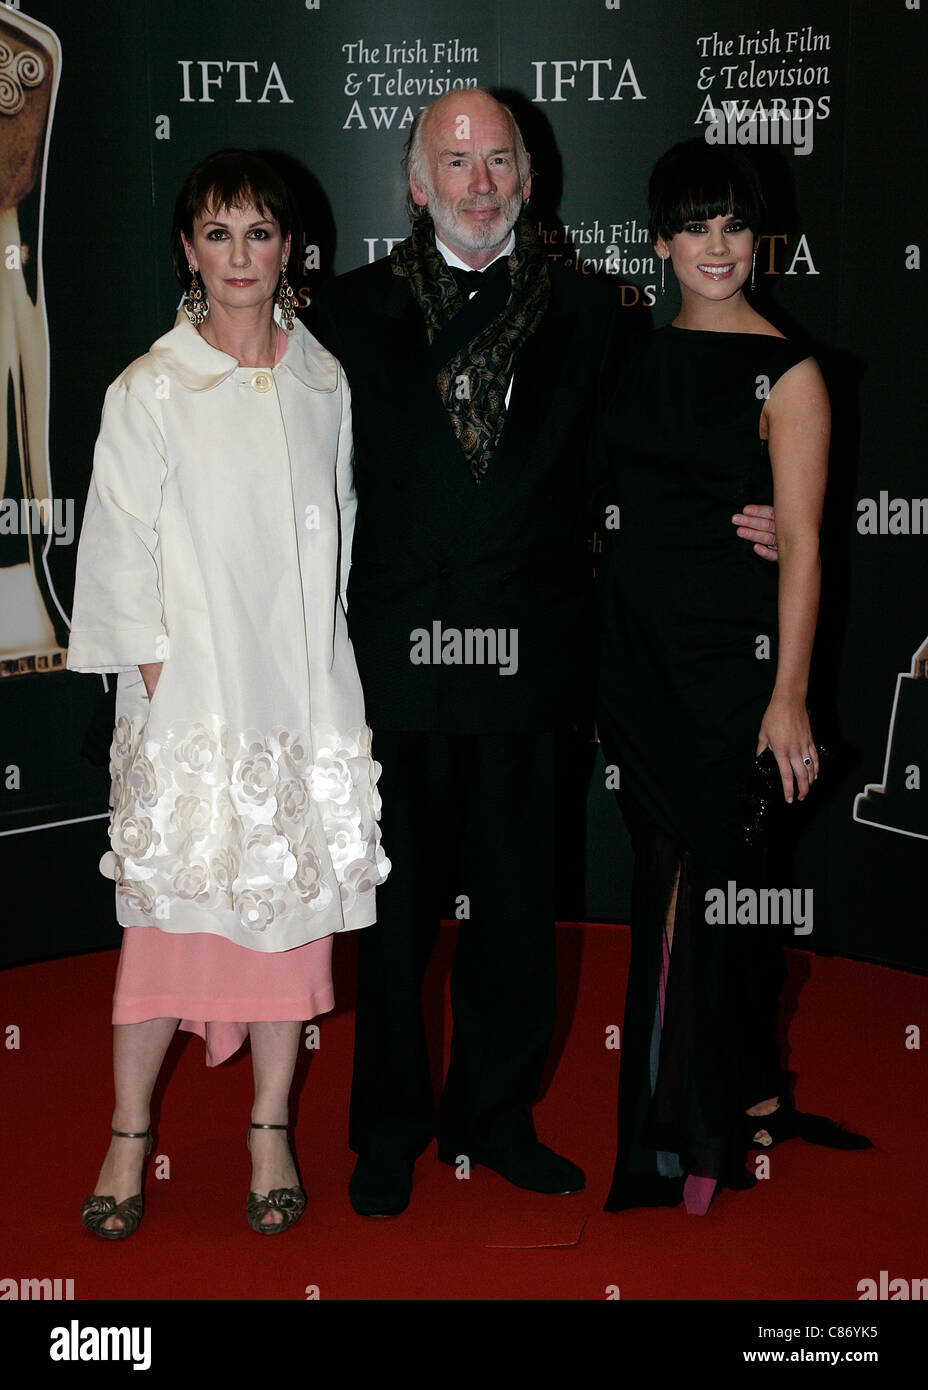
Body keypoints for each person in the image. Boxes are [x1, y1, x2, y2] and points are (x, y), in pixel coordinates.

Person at [309, 91, 776, 1217]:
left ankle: (496, 1115)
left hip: (532, 656)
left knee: (518, 908)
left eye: (498, 160)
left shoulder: (594, 312)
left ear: (530, 177)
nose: (479, 183)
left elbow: (643, 461)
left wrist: (750, 509)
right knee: (395, 912)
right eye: (454, 163)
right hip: (396, 659)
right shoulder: (342, 312)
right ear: (416, 185)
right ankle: (388, 1129)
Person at [67, 149, 388, 1238]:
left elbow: (336, 535)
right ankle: (126, 1133)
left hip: (297, 703)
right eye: (218, 234)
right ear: (187, 252)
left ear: (290, 248)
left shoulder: (322, 379)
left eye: (259, 233)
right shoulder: (150, 388)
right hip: (197, 710)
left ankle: (269, 1129)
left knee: (290, 932)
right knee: (166, 936)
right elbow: (113, 552)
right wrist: (167, 688)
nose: (240, 256)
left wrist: (318, 679)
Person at [595, 139, 831, 1214]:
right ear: (660, 241)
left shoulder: (790, 372)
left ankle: (699, 1123)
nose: (716, 245)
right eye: (695, 224)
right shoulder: (631, 358)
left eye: (733, 224)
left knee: (718, 894)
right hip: (638, 669)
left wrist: (785, 697)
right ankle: (694, 1113)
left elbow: (806, 543)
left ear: (757, 239)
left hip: (733, 673)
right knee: (666, 890)